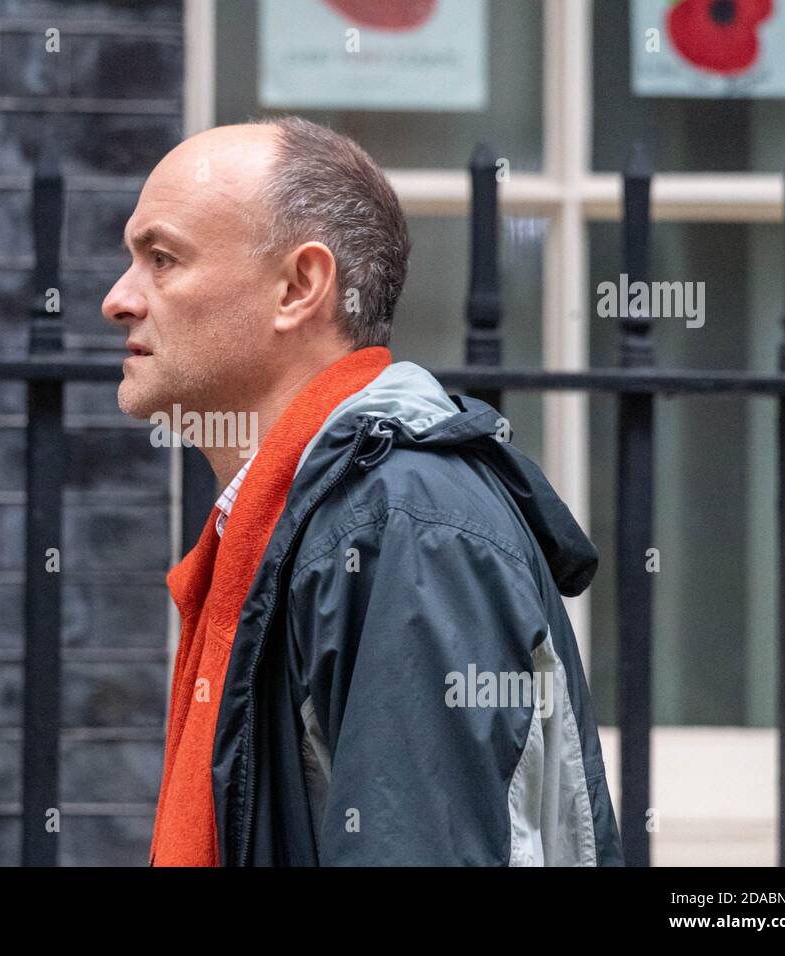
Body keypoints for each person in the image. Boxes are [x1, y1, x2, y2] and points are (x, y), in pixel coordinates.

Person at [102, 116, 624, 866]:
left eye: (162, 259)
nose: (118, 299)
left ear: (299, 287)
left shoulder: (403, 525)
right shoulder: (315, 517)